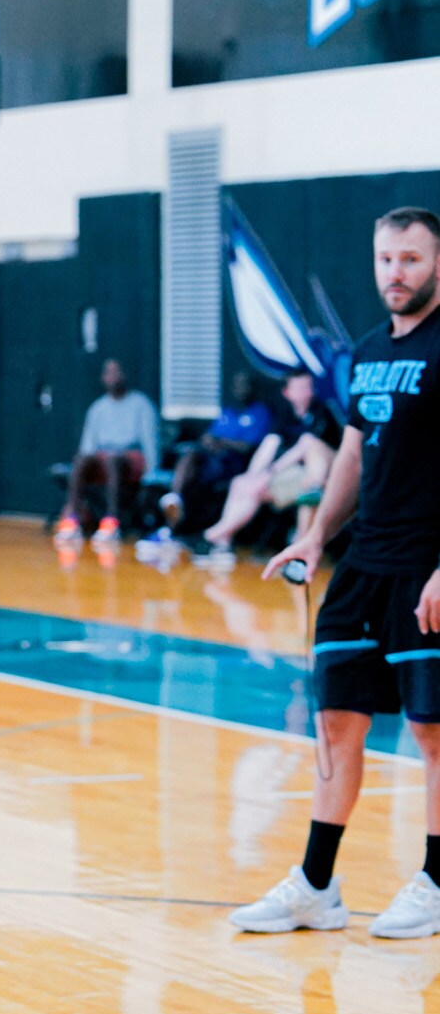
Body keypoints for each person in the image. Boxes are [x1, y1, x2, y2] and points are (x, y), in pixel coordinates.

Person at [233, 206, 440, 939]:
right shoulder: (372, 349)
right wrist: (317, 536)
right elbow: (352, 454)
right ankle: (317, 886)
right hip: (364, 565)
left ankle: (437, 879)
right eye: (386, 260)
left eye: (411, 259)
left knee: (433, 732)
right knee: (336, 721)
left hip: (425, 567)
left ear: (436, 262)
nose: (396, 273)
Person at [191, 370, 340, 568]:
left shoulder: (322, 412)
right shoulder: (285, 415)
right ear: (287, 392)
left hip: (323, 479)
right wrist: (254, 475)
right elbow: (268, 446)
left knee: (303, 487)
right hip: (292, 477)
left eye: (309, 387)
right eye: (301, 387)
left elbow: (306, 447)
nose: (308, 391)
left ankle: (212, 535)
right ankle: (222, 542)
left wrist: (269, 473)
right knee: (241, 483)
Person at [157, 371, 273, 538]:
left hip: (235, 464)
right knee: (191, 456)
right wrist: (212, 442)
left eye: (245, 385)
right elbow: (208, 437)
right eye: (238, 385)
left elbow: (249, 447)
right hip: (211, 459)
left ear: (253, 388)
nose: (242, 389)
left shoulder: (260, 413)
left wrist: (222, 442)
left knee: (196, 474)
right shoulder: (227, 413)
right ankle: (174, 500)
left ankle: (177, 523)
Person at [56, 358, 158, 544]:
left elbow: (150, 442)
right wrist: (86, 463)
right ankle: (72, 517)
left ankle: (111, 521)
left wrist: (152, 474)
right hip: (104, 456)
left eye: (116, 372)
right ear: (103, 378)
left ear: (124, 375)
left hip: (131, 457)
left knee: (113, 460)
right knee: (82, 460)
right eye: (108, 373)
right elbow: (87, 447)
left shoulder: (142, 404)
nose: (113, 377)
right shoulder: (97, 408)